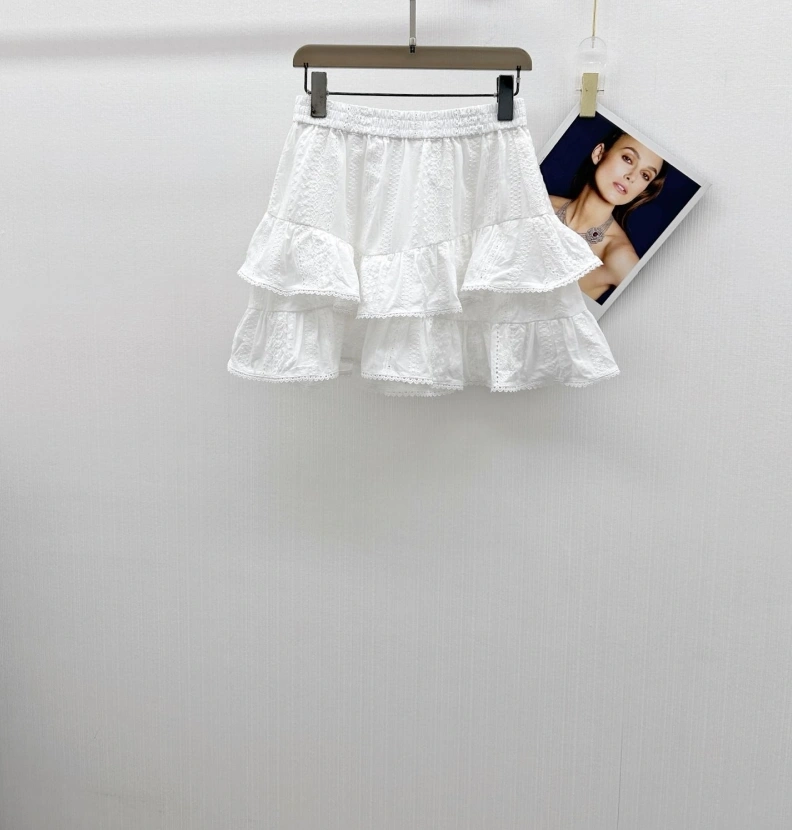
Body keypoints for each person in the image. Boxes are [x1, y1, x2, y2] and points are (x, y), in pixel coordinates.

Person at [549, 128, 667, 303]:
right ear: (599, 153)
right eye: (628, 159)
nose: (632, 177)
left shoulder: (620, 257)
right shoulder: (538, 205)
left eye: (645, 175)